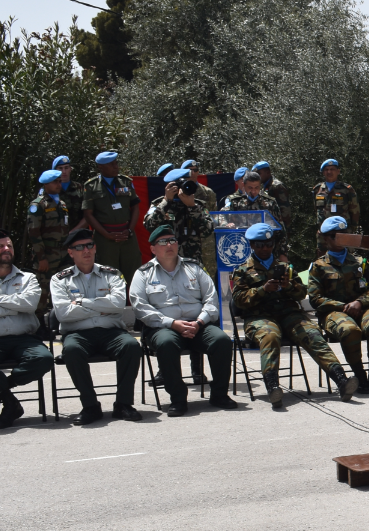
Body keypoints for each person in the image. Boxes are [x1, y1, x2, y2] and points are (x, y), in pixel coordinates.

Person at [231, 223, 357, 407]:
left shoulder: (285, 267)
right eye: (260, 245)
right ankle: (273, 387)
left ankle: (341, 381)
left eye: (268, 244)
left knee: (312, 334)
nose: (265, 249)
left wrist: (289, 286)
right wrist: (262, 290)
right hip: (259, 317)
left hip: (289, 314)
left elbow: (301, 293)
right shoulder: (242, 270)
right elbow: (239, 301)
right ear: (252, 245)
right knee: (270, 336)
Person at [130, 225, 236, 415]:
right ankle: (178, 398)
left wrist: (200, 322)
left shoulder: (194, 268)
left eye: (172, 240)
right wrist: (172, 323)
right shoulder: (143, 274)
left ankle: (219, 394)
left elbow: (212, 299)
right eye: (162, 242)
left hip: (198, 325)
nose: (169, 244)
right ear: (153, 249)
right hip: (163, 327)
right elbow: (140, 308)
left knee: (221, 341)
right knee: (166, 343)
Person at [50, 229, 142, 425]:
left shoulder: (112, 274)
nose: (86, 250)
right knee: (72, 350)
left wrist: (81, 302)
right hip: (77, 333)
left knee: (131, 346)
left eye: (90, 245)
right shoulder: (59, 279)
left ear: (95, 248)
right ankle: (90, 406)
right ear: (70, 252)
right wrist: (102, 307)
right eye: (80, 247)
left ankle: (123, 404)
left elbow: (118, 304)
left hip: (111, 332)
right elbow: (63, 313)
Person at [143, 167, 214, 386]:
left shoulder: (197, 205)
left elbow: (209, 229)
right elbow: (148, 225)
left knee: (195, 316)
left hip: (191, 267)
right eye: (178, 184)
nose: (184, 188)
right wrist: (166, 201)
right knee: (165, 314)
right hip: (165, 268)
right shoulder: (159, 204)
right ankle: (164, 371)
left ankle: (197, 371)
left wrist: (191, 206)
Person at [307, 216, 369, 394]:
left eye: (343, 234)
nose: (340, 238)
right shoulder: (318, 266)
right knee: (349, 330)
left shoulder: (359, 262)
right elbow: (315, 299)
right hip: (334, 312)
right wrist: (344, 306)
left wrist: (359, 302)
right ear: (326, 238)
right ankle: (360, 376)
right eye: (335, 236)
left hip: (362, 308)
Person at [0, 229, 52, 429]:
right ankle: (10, 403)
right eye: (0, 246)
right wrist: (13, 305)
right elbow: (21, 304)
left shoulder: (27, 278)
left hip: (25, 338)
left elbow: (29, 304)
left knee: (43, 359)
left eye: (9, 245)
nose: (7, 249)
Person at [81, 151, 142, 287]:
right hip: (105, 238)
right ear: (101, 167)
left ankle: (134, 305)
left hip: (127, 235)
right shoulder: (91, 186)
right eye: (111, 164)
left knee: (134, 272)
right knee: (107, 274)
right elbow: (88, 214)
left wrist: (129, 230)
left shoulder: (125, 182)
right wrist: (106, 234)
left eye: (116, 163)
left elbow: (135, 207)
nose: (116, 167)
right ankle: (111, 306)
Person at [27, 169, 72, 318]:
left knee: (65, 286)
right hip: (47, 253)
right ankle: (39, 324)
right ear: (46, 184)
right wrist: (41, 257)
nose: (59, 184)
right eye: (55, 182)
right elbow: (34, 232)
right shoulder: (38, 205)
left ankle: (60, 320)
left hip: (64, 253)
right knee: (42, 290)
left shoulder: (62, 203)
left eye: (60, 181)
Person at [221, 171, 289, 262]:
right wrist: (226, 224)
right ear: (243, 185)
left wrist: (283, 254)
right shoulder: (235, 202)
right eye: (250, 188)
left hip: (265, 251)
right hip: (241, 251)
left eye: (256, 187)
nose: (253, 191)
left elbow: (281, 231)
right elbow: (221, 215)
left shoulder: (270, 203)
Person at [312, 159, 360, 252]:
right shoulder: (317, 189)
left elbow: (355, 211)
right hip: (323, 234)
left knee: (346, 260)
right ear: (323, 172)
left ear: (338, 171)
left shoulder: (347, 189)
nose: (329, 172)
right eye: (326, 169)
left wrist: (351, 230)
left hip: (342, 232)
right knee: (323, 261)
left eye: (332, 169)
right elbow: (316, 210)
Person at [181, 160, 219, 276]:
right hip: (184, 242)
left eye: (195, 170)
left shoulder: (208, 193)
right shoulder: (178, 192)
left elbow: (214, 217)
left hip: (205, 242)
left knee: (209, 275)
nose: (192, 173)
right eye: (189, 171)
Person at [52, 155, 87, 231]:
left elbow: (88, 215)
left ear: (70, 169)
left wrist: (73, 233)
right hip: (55, 236)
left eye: (66, 168)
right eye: (60, 168)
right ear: (54, 170)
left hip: (77, 234)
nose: (64, 172)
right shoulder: (49, 189)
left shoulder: (80, 188)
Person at [252, 161, 291, 228]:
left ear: (268, 172)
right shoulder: (263, 186)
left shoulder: (277, 186)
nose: (257, 177)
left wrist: (282, 228)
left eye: (259, 174)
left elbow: (285, 210)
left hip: (278, 226)